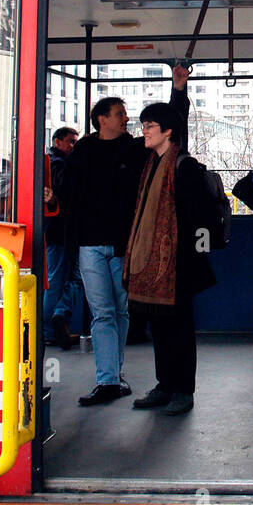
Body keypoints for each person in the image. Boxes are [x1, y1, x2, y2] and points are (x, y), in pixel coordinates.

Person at [62, 66, 189, 406]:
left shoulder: (136, 150)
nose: (127, 119)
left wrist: (178, 90)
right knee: (103, 312)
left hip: (124, 245)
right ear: (102, 119)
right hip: (90, 243)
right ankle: (108, 379)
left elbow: (172, 128)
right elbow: (66, 192)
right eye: (120, 114)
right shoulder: (82, 153)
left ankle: (114, 377)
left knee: (120, 310)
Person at [126, 101, 217, 416]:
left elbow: (201, 215)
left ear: (168, 131)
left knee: (179, 327)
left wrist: (193, 255)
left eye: (150, 126)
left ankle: (183, 390)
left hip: (179, 264)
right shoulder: (151, 164)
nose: (144, 132)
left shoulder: (184, 166)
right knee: (160, 327)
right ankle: (164, 384)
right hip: (154, 265)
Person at [43, 126, 82, 349]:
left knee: (71, 278)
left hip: (64, 232)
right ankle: (50, 328)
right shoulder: (57, 165)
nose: (72, 146)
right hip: (59, 232)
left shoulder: (58, 163)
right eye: (70, 141)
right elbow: (63, 193)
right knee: (58, 281)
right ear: (57, 142)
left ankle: (58, 317)